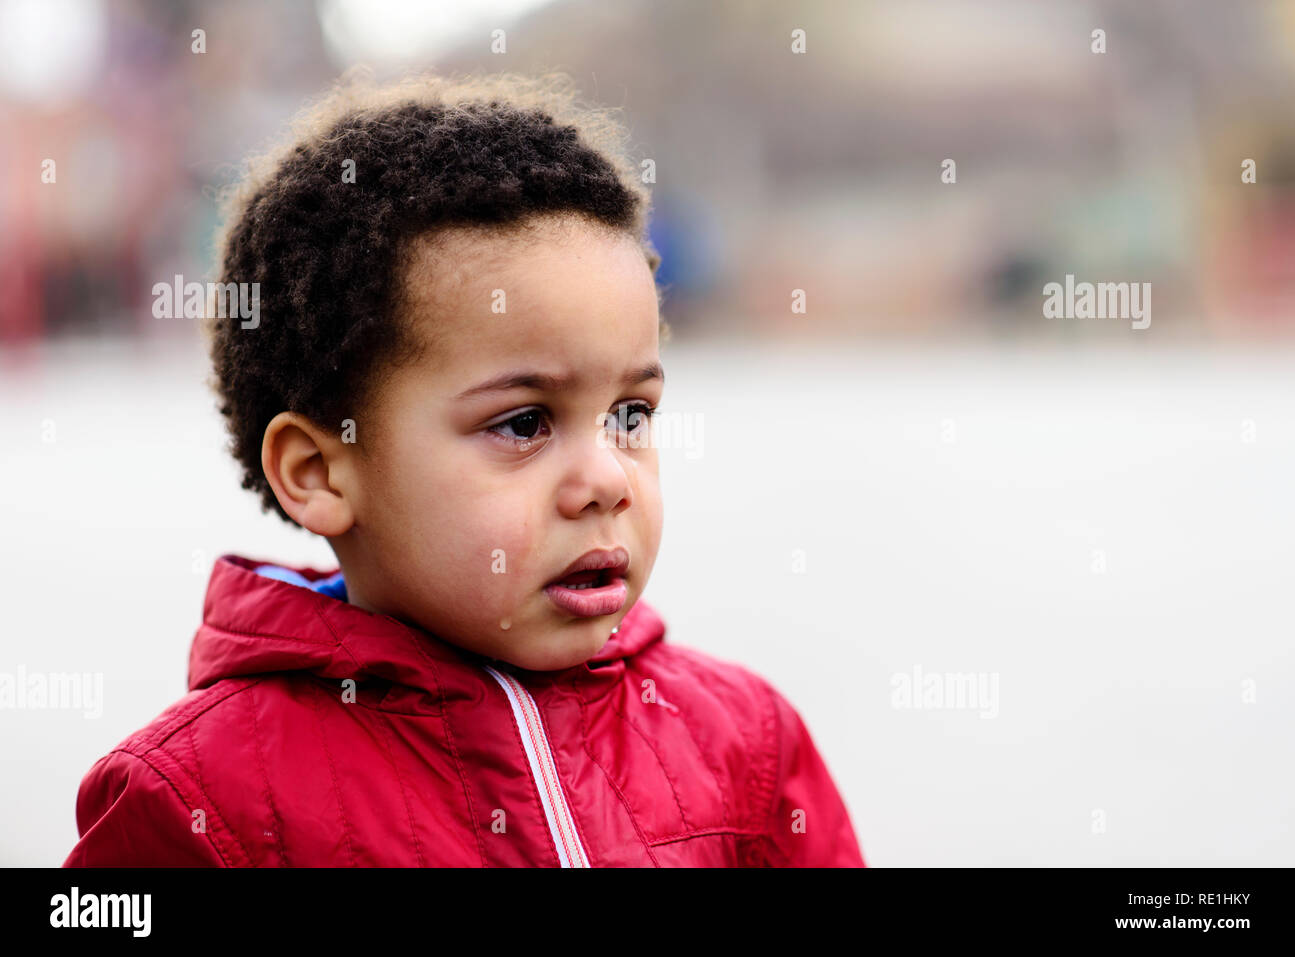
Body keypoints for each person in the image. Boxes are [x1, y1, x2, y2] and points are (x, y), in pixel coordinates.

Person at [63, 70, 866, 867]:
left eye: (631, 415)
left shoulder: (747, 745)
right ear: (319, 471)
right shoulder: (197, 803)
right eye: (523, 423)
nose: (609, 481)